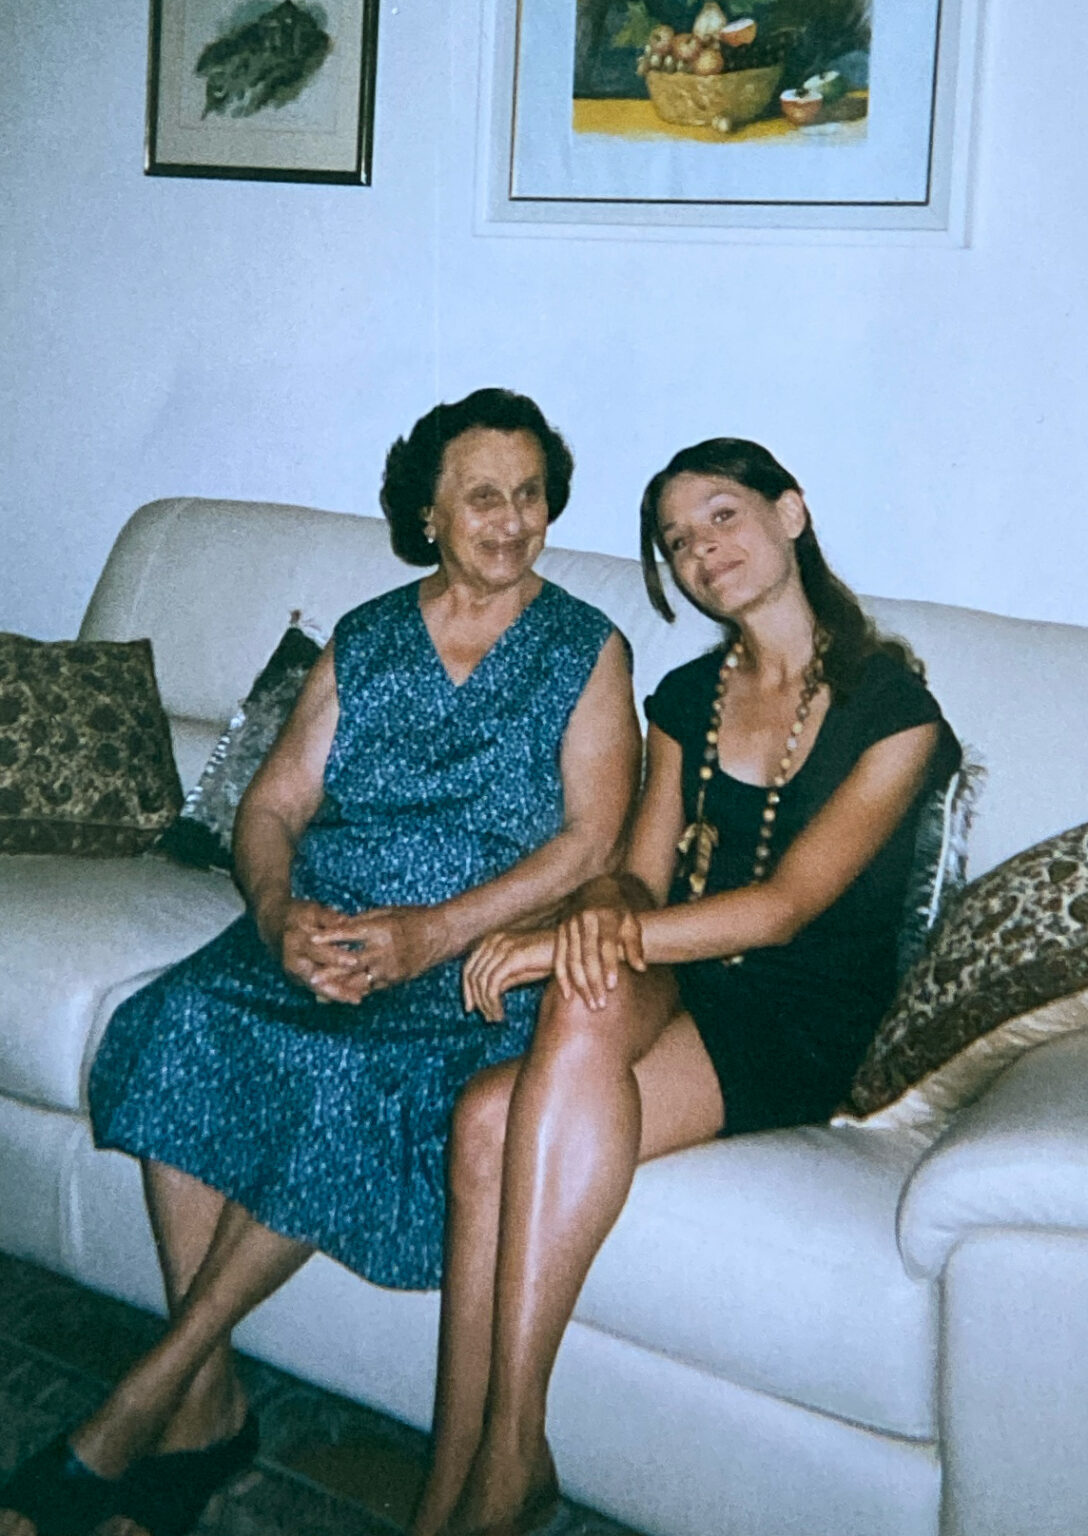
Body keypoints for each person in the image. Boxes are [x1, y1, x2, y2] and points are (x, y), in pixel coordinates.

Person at [0, 388, 640, 1536]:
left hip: (471, 962)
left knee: (352, 1083)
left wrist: (430, 936)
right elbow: (274, 800)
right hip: (326, 929)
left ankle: (150, 1393)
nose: (510, 521)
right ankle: (207, 1409)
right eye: (481, 496)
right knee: (179, 1019)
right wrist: (278, 907)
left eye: (530, 495)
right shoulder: (369, 635)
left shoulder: (587, 651)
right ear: (428, 513)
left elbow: (591, 842)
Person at [408, 438, 961, 1536]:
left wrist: (568, 940)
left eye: (720, 516)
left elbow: (784, 907)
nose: (701, 550)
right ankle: (455, 1482)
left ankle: (507, 1450)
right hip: (692, 988)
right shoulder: (683, 696)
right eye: (674, 539)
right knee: (501, 1090)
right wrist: (602, 904)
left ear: (789, 514)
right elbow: (639, 874)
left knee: (501, 1099)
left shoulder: (892, 712)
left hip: (804, 1025)